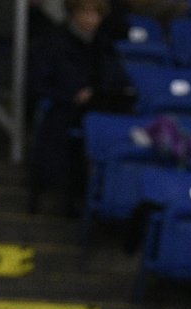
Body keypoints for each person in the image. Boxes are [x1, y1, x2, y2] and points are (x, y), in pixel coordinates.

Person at [26, 0, 135, 216]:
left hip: (100, 110)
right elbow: (37, 84)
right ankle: (66, 193)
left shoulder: (104, 45)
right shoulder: (54, 42)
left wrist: (102, 92)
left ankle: (113, 191)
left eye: (95, 14)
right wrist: (71, 96)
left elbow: (120, 81)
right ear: (73, 13)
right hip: (65, 111)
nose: (89, 19)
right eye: (84, 13)